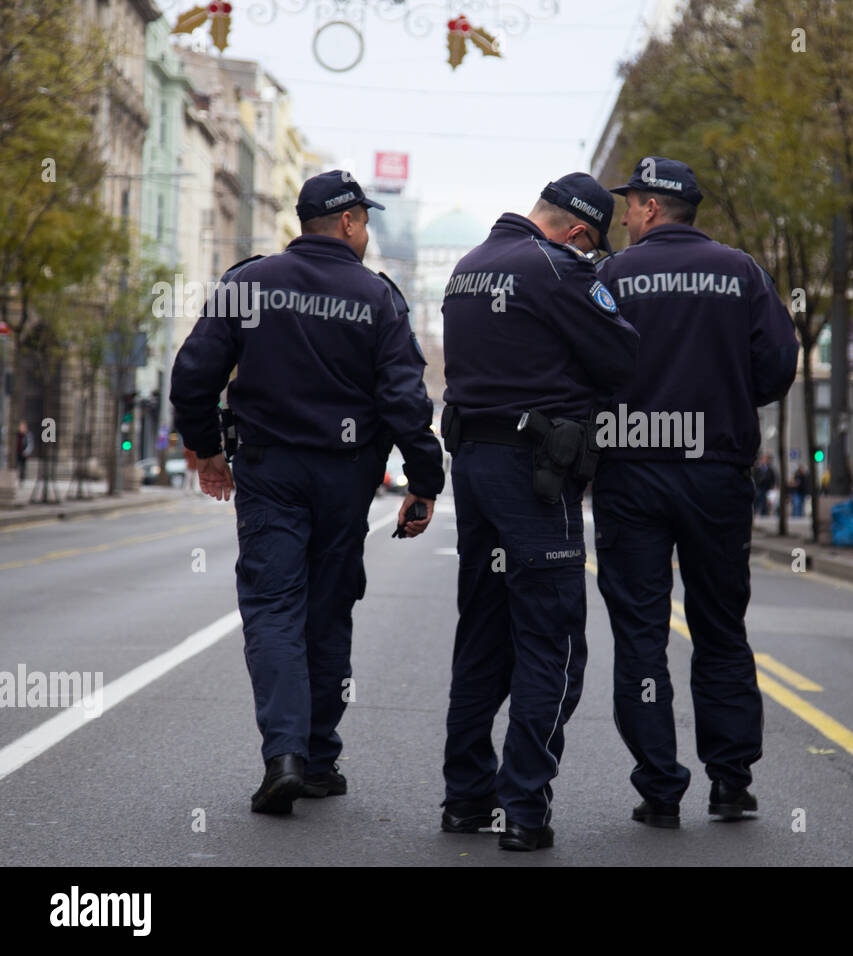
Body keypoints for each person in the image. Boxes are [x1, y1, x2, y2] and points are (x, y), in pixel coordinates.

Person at [170, 169, 444, 816]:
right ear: (348, 222)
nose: (369, 232)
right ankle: (318, 759)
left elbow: (193, 372)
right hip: (347, 478)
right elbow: (405, 399)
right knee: (328, 608)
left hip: (269, 472)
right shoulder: (377, 298)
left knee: (272, 610)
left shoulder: (249, 282)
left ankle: (285, 756)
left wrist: (207, 448)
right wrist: (424, 479)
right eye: (366, 220)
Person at [595, 155, 798, 828]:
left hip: (630, 472)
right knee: (719, 627)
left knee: (641, 633)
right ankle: (730, 780)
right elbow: (777, 365)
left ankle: (659, 786)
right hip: (715, 471)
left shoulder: (613, 276)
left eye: (630, 204)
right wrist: (730, 399)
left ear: (652, 208)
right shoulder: (741, 271)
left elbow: (583, 365)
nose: (623, 215)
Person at [439, 173, 638, 852]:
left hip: (475, 466)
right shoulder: (556, 268)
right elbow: (623, 356)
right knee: (553, 646)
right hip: (534, 476)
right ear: (579, 232)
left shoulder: (469, 266)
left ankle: (466, 799)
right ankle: (524, 807)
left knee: (482, 635)